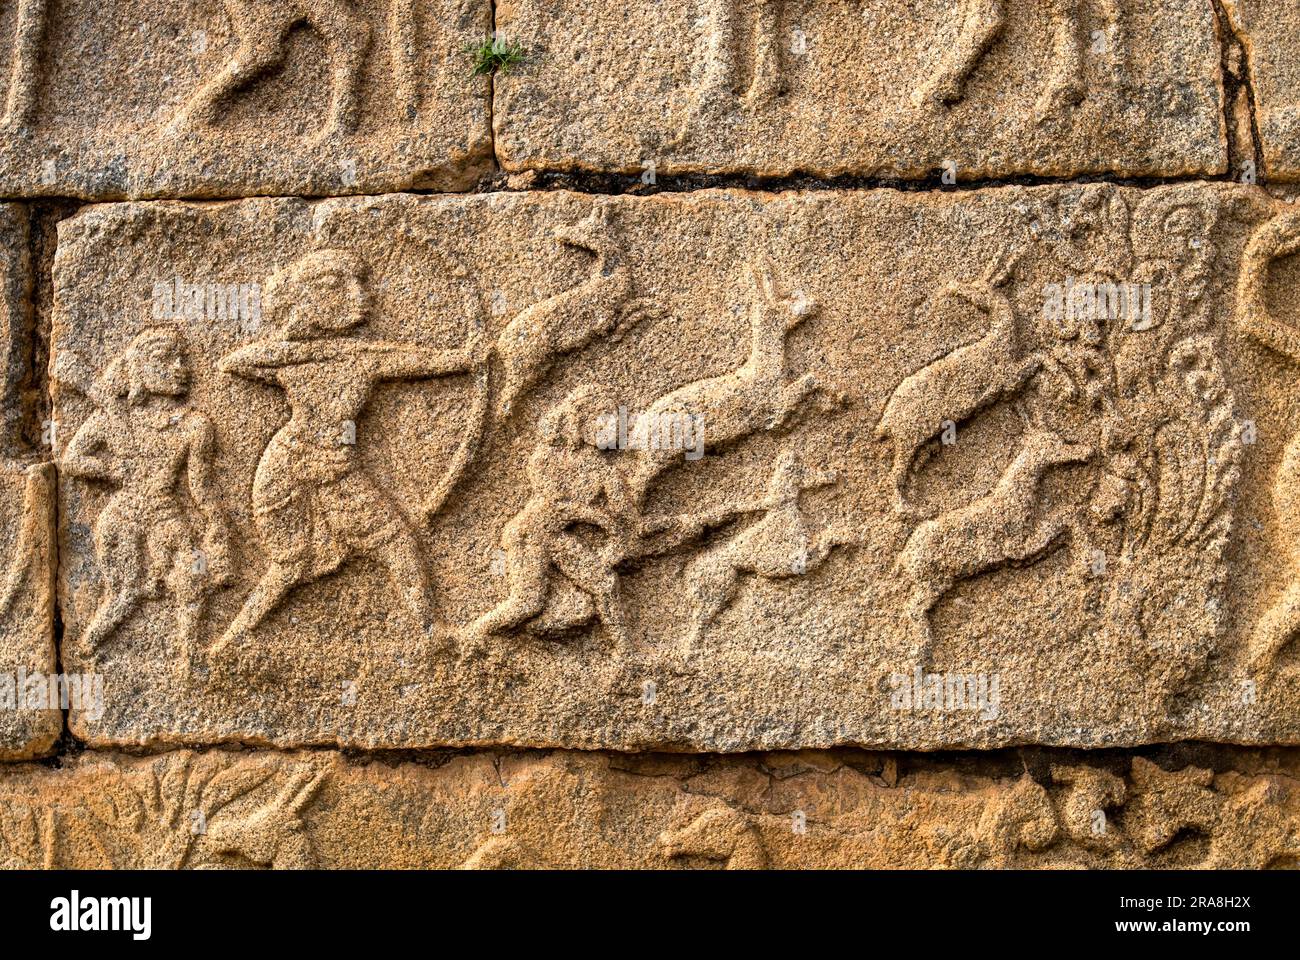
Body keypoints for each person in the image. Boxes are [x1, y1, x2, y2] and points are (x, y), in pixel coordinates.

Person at [212, 250, 480, 654]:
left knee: (388, 544)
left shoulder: (367, 356)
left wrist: (468, 357)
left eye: (362, 286)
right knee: (298, 562)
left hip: (333, 465)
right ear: (317, 298)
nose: (362, 297)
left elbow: (433, 362)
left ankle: (431, 632)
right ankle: (234, 639)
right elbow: (235, 363)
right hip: (288, 465)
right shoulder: (296, 355)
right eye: (347, 287)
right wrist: (301, 350)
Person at [62, 328, 230, 667]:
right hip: (123, 514)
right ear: (139, 370)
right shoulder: (112, 418)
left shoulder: (194, 426)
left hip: (165, 512)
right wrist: (111, 469)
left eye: (181, 359)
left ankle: (191, 654)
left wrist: (216, 521)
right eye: (165, 360)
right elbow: (72, 459)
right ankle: (87, 647)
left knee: (192, 576)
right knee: (125, 594)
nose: (180, 367)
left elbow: (199, 486)